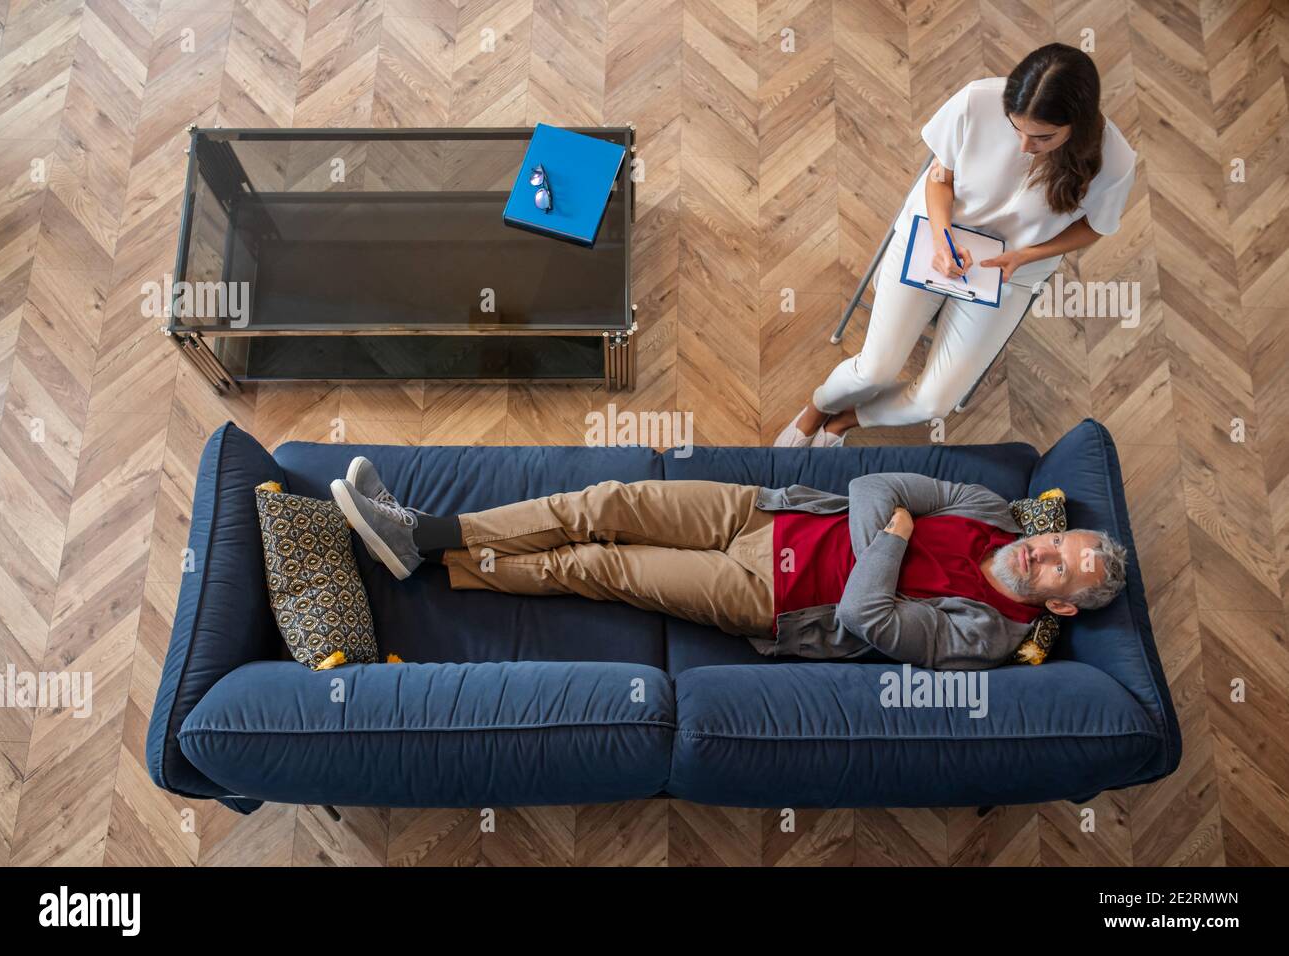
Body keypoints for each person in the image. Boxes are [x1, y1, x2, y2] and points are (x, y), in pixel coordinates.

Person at [330, 457, 1128, 670]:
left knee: (596, 566)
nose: (1045, 546)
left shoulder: (988, 635)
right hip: (764, 511)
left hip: (767, 596)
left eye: (1064, 567)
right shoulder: (990, 511)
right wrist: (882, 531)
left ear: (1059, 607)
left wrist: (890, 537)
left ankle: (422, 556)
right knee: (604, 503)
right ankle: (426, 534)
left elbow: (863, 619)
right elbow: (872, 484)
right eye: (1060, 540)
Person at [776, 43, 1137, 445]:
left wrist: (1027, 255)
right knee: (874, 369)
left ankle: (846, 421)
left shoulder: (1115, 160)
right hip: (935, 232)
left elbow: (1095, 226)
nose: (1023, 146)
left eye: (1042, 137)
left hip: (1010, 270)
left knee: (934, 402)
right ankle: (816, 409)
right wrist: (941, 236)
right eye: (1015, 127)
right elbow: (939, 179)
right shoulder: (976, 101)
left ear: (1078, 125)